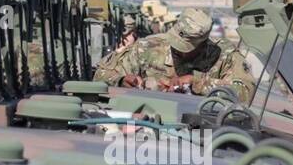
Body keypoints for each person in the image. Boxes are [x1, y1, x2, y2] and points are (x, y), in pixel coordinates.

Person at [93, 7, 255, 103]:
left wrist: (197, 83)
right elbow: (100, 75)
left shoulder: (224, 55)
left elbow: (246, 92)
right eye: (175, 42)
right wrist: (122, 80)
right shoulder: (147, 47)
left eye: (185, 47)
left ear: (203, 44)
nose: (177, 50)